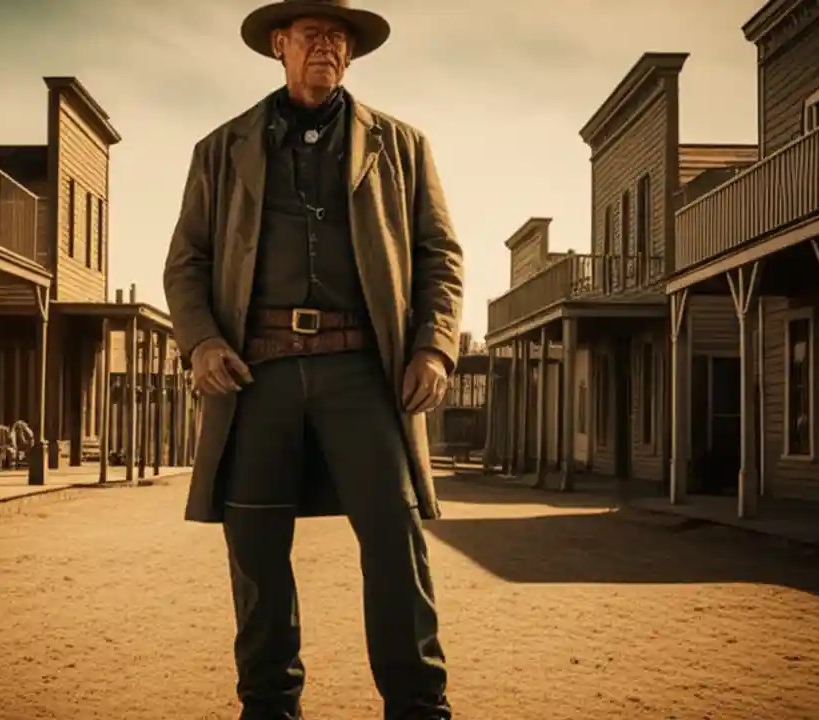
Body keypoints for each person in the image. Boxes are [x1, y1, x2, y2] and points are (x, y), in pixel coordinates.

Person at [162, 1, 464, 717]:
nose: (325, 45)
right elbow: (187, 262)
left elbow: (439, 255)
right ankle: (269, 705)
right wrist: (202, 340)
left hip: (363, 369)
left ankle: (420, 706)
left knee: (396, 544)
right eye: (310, 34)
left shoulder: (403, 145)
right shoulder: (220, 148)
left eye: (339, 37)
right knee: (256, 549)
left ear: (352, 54)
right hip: (255, 371)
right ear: (279, 45)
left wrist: (434, 346)